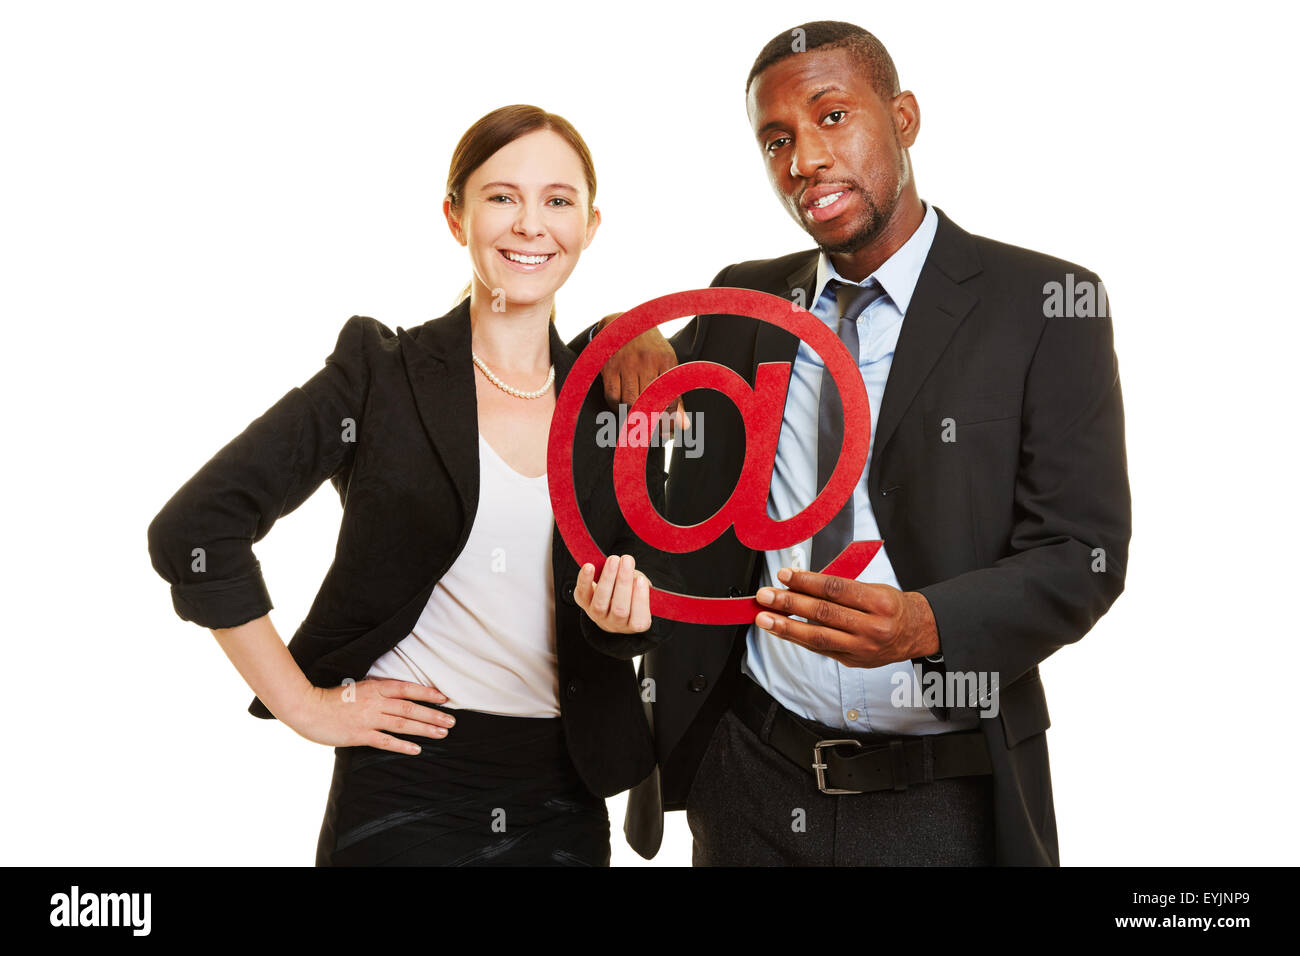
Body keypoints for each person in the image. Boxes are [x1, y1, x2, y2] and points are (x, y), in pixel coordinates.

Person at [574, 21, 1131, 865]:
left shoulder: (1044, 304)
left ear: (903, 116)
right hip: (750, 780)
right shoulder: (745, 302)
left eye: (832, 117)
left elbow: (1082, 552)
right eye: (777, 139)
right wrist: (617, 332)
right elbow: (626, 414)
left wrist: (924, 623)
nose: (805, 159)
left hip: (944, 793)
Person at [147, 104, 681, 866]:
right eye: (502, 197)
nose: (531, 224)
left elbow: (658, 591)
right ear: (454, 215)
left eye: (558, 201)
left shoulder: (616, 398)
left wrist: (626, 620)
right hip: (404, 787)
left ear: (591, 226)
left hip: (564, 794)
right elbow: (194, 528)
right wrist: (305, 705)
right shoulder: (379, 375)